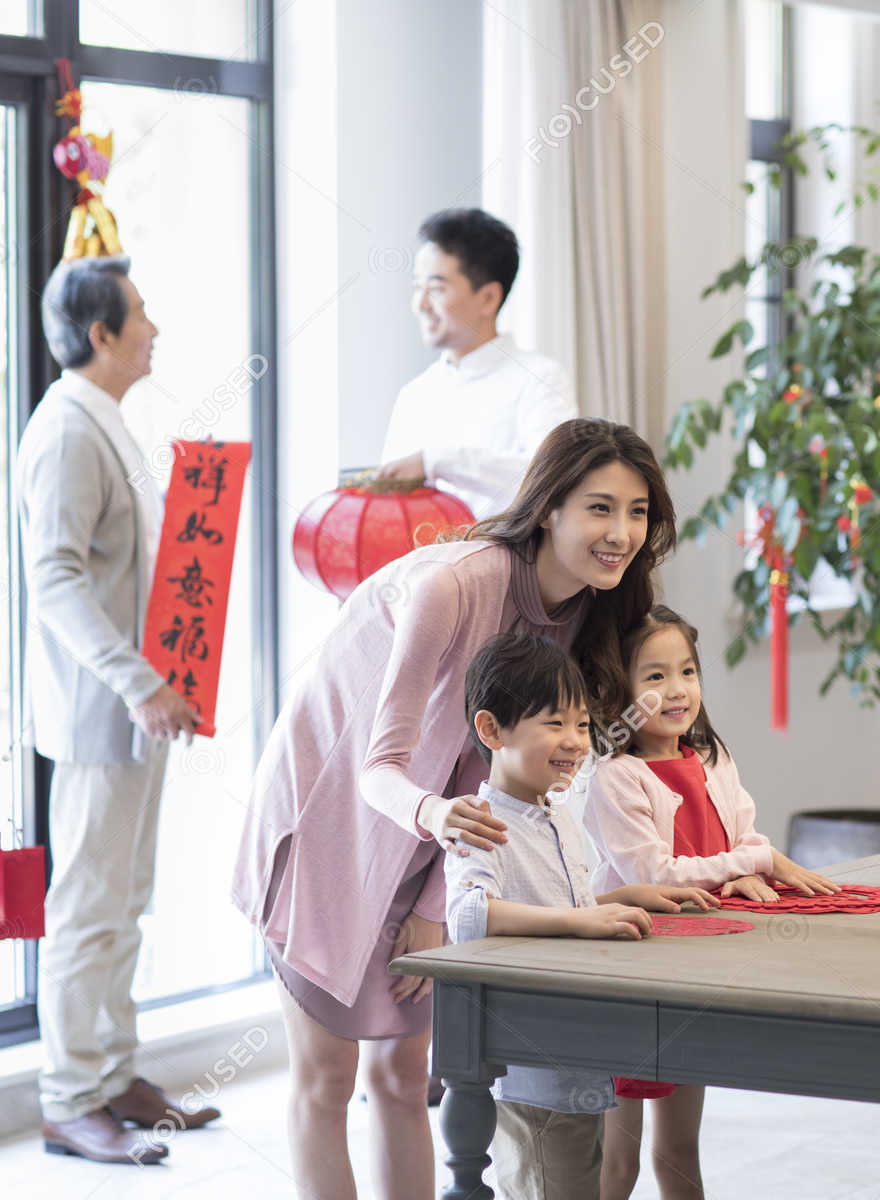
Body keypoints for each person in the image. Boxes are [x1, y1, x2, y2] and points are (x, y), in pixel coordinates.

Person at [231, 418, 677, 1200]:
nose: (622, 533)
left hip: (433, 831)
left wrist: (441, 895)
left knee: (408, 1073)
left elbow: (505, 775)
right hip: (333, 817)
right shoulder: (453, 586)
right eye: (600, 508)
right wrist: (437, 823)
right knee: (327, 1078)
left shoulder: (584, 614)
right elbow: (379, 765)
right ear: (549, 509)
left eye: (638, 512)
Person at [19, 256, 216, 1165]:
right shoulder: (66, 431)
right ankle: (68, 1100)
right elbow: (55, 580)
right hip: (108, 711)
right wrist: (138, 681)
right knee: (89, 906)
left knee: (125, 900)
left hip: (144, 708)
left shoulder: (108, 425)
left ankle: (113, 1074)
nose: (154, 329)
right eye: (141, 314)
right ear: (100, 333)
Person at [446, 631, 717, 1200]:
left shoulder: (554, 809)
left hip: (576, 1055)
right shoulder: (480, 821)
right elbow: (469, 916)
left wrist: (621, 899)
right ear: (492, 730)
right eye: (554, 724)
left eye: (581, 724)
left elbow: (566, 903)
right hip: (534, 1067)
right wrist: (579, 922)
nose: (575, 741)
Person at [580, 605, 837, 1200]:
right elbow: (656, 875)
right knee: (618, 1160)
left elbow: (743, 835)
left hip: (699, 974)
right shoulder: (616, 776)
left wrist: (748, 864)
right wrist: (753, 863)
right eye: (654, 677)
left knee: (680, 1149)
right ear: (616, 688)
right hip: (637, 974)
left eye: (688, 671)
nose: (677, 690)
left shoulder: (713, 758)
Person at [377, 207, 576, 518]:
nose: (421, 304)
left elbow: (553, 480)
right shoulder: (414, 394)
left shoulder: (538, 379)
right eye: (418, 287)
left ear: (488, 298)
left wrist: (437, 461)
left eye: (437, 289)